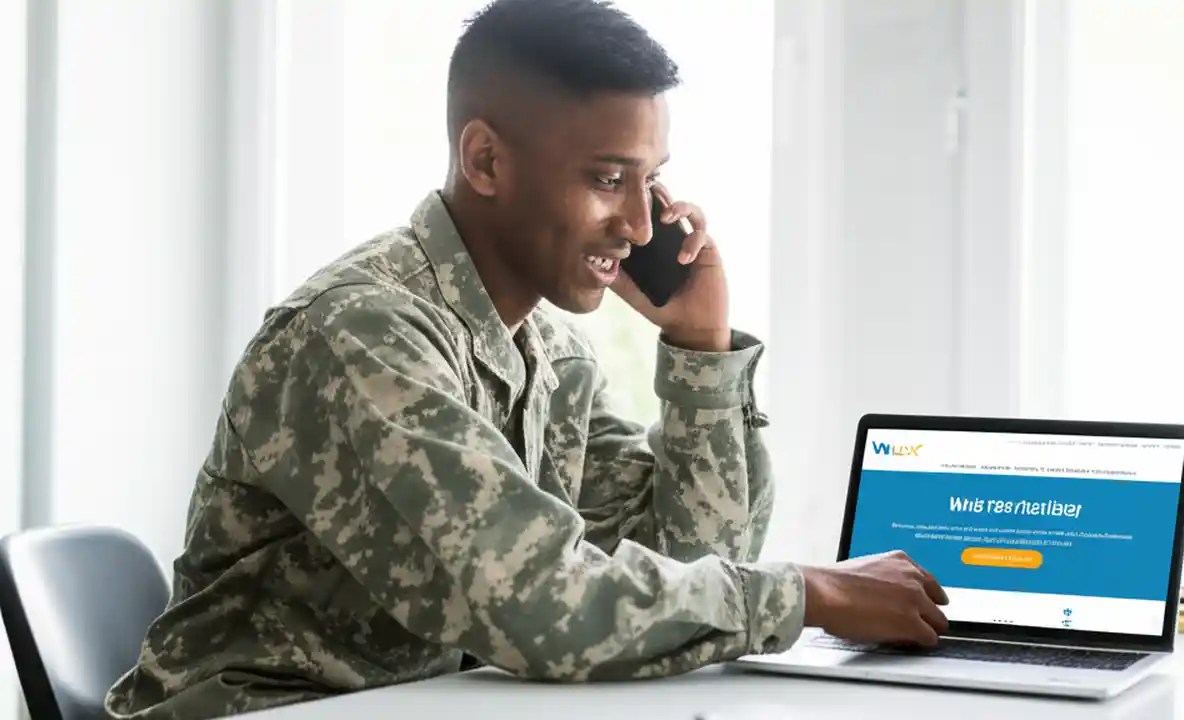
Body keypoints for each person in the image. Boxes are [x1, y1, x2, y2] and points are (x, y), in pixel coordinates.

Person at [105, 0, 948, 717]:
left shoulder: (549, 354)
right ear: (486, 160)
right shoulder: (362, 335)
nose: (642, 227)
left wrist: (700, 352)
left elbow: (695, 559)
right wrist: (810, 593)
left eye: (649, 181)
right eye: (608, 179)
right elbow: (546, 603)